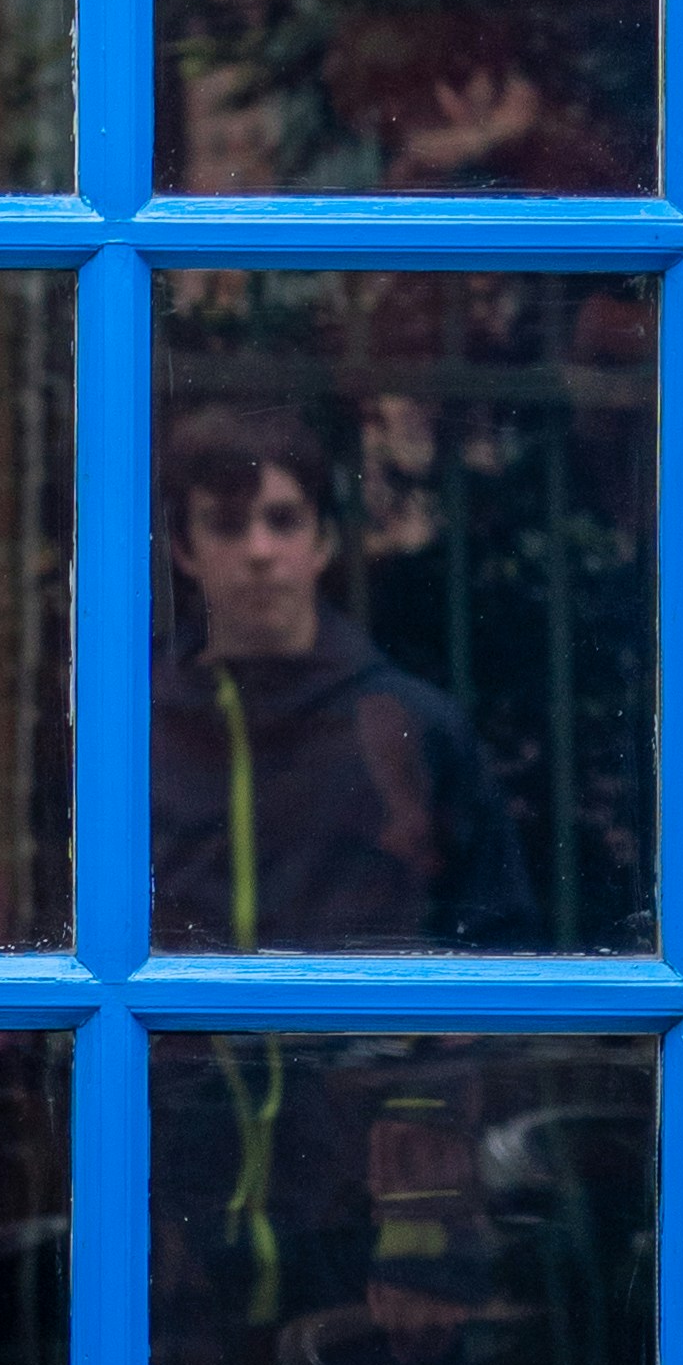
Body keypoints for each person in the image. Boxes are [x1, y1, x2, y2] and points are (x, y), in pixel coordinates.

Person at [148, 398, 532, 952]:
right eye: (227, 525)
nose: (259, 551)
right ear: (185, 549)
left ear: (323, 539)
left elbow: (499, 944)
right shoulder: (141, 726)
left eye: (283, 520)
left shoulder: (414, 724)